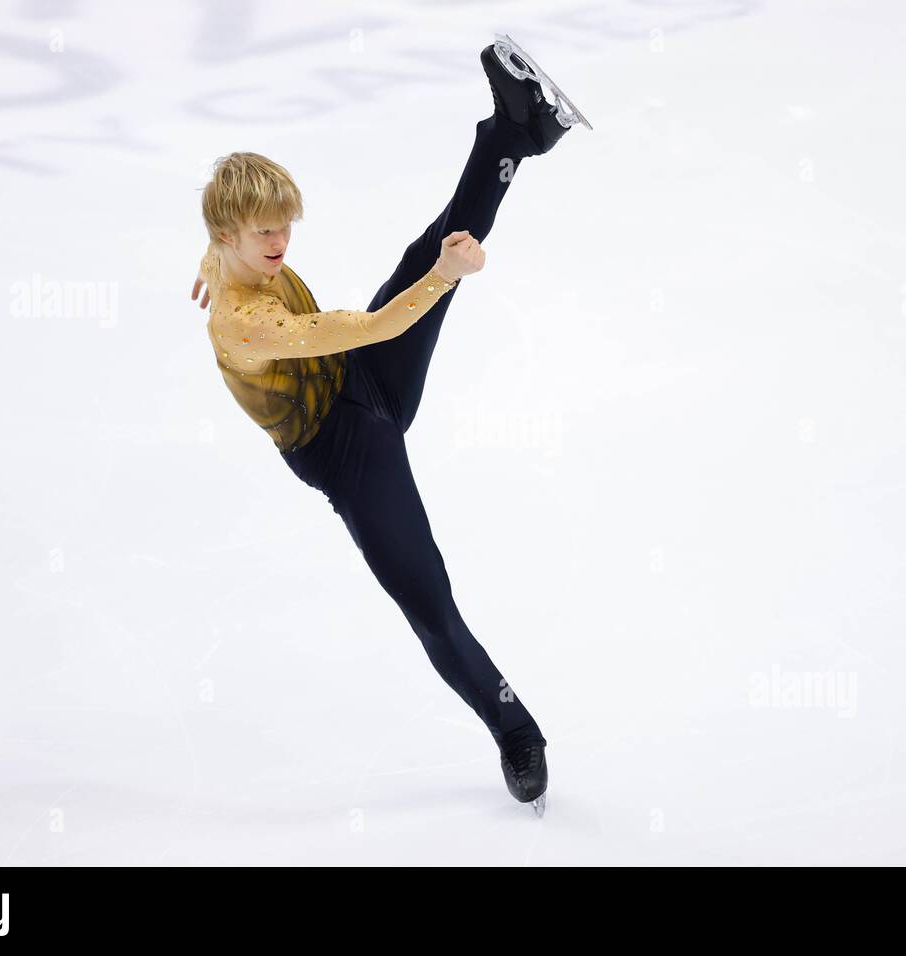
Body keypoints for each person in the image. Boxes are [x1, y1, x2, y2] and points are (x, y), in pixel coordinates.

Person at [190, 38, 587, 812]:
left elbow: (351, 329)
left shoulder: (223, 251)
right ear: (230, 235)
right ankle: (517, 732)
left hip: (358, 382)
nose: (279, 246)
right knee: (428, 598)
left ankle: (513, 133)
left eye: (284, 229)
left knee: (427, 248)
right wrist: (444, 281)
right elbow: (369, 326)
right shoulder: (245, 322)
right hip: (345, 451)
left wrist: (436, 269)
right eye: (265, 235)